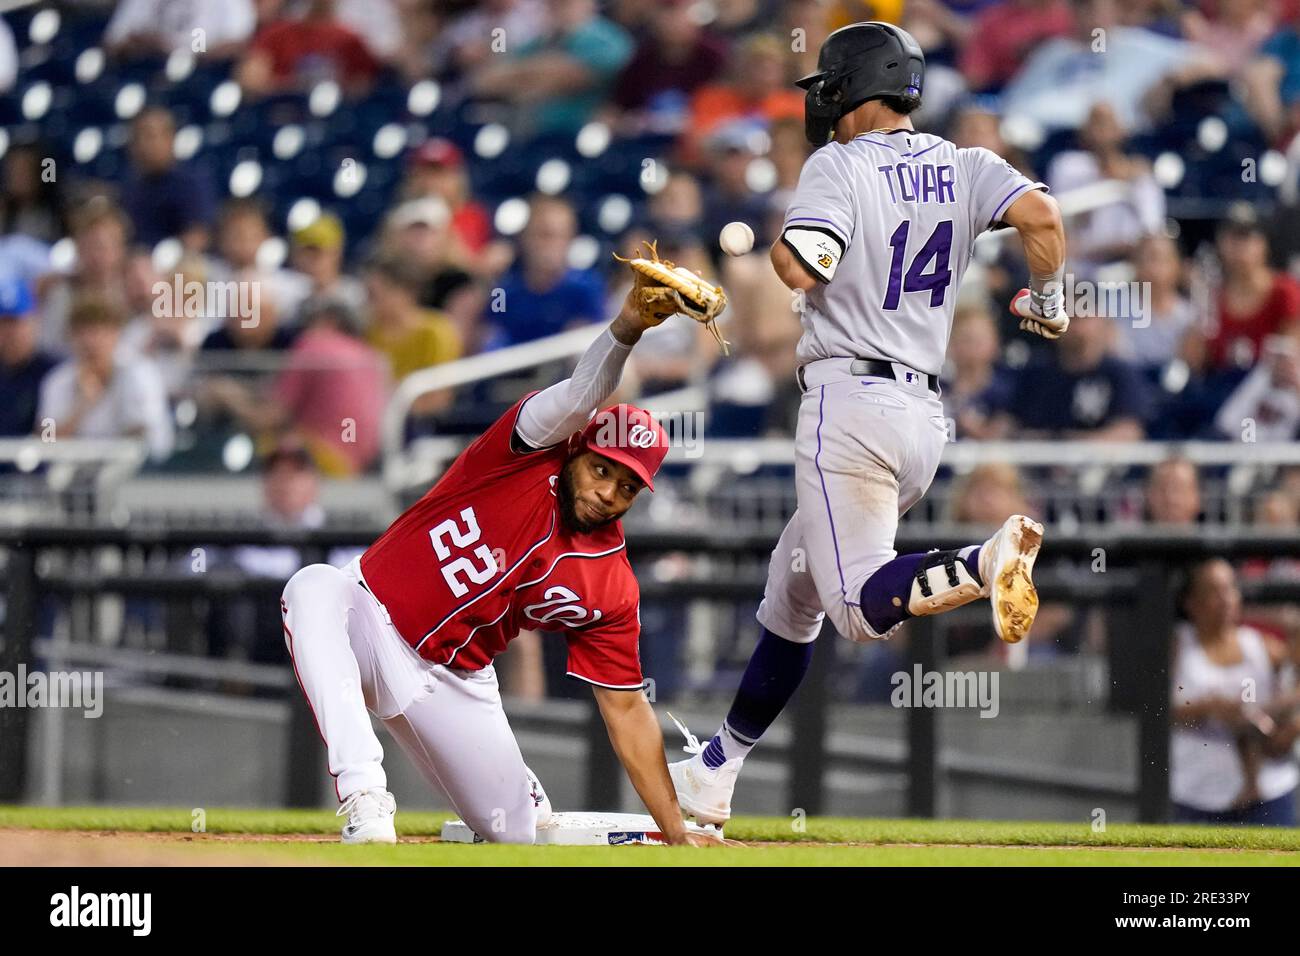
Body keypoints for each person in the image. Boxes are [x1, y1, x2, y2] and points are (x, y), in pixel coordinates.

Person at [668, 22, 1066, 825]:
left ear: (854, 87)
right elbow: (1046, 220)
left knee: (852, 607)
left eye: (829, 87)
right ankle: (716, 767)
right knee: (793, 594)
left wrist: (763, 267)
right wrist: (1048, 302)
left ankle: (985, 561)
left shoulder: (838, 163)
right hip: (922, 417)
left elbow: (804, 262)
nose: (825, 102)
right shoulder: (967, 164)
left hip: (849, 404)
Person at [279, 267, 724, 846]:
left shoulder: (610, 584)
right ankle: (365, 795)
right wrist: (626, 329)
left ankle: (540, 801)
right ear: (576, 450)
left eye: (627, 486)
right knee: (311, 586)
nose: (607, 491)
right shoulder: (522, 451)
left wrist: (675, 834)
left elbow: (628, 712)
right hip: (367, 617)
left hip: (453, 680)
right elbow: (580, 393)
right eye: (601, 468)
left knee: (515, 834)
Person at [1171, 558, 1299, 826]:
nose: (1226, 599)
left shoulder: (1261, 644)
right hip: (1198, 792)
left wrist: (1291, 723)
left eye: (1231, 588)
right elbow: (1154, 708)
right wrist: (1208, 709)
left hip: (1269, 792)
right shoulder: (1176, 645)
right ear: (1192, 602)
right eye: (1214, 591)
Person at [36, 296, 174, 461]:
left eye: (99, 332)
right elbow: (45, 438)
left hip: (144, 473)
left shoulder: (139, 373)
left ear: (116, 333)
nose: (91, 342)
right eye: (82, 333)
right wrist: (81, 406)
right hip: (76, 474)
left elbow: (142, 433)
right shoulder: (57, 380)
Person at [119, 107, 218, 254]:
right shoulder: (130, 187)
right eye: (137, 137)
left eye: (150, 136)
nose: (143, 145)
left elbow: (198, 238)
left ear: (170, 139)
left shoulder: (190, 183)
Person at [0, 279, 58, 437]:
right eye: (3, 323)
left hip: (37, 458)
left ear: (33, 321)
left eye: (15, 322)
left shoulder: (53, 371)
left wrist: (44, 439)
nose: (9, 331)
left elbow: (50, 434)